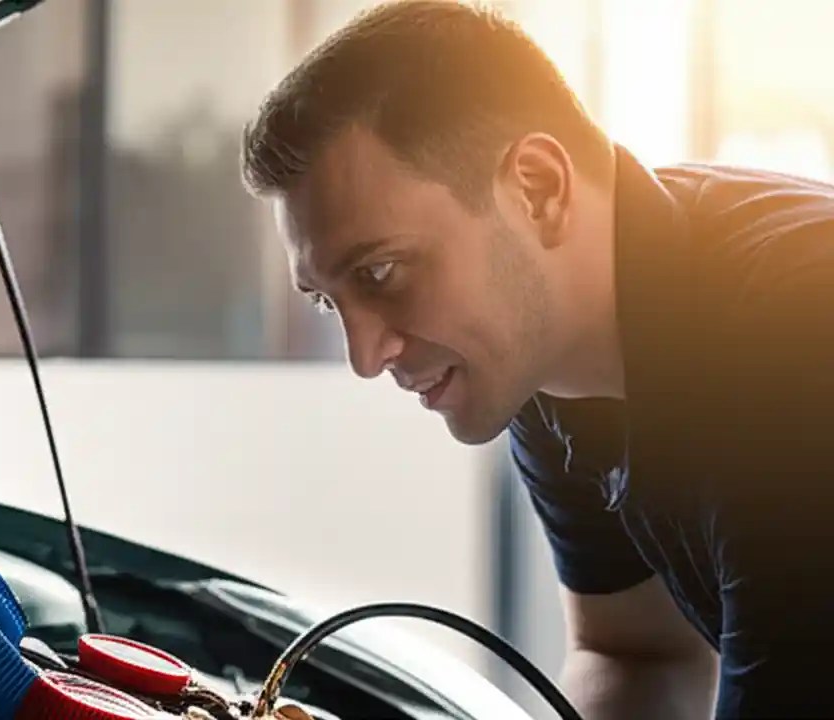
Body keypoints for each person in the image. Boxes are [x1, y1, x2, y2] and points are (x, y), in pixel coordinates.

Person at [238, 1, 834, 718]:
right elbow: (635, 655)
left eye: (380, 273)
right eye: (330, 302)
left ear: (540, 190)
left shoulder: (799, 337)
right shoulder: (551, 362)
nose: (366, 357)